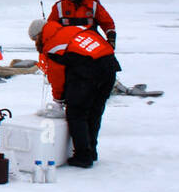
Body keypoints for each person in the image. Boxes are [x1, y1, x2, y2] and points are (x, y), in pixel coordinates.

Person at [30, 17, 121, 168]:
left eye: (34, 39)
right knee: (94, 112)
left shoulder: (52, 45)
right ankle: (91, 151)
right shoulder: (72, 29)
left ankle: (83, 156)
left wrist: (58, 99)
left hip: (89, 71)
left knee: (76, 113)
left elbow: (57, 76)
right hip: (109, 67)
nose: (35, 43)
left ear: (39, 35)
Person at [49, 0, 116, 47]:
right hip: (67, 45)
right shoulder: (60, 6)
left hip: (90, 43)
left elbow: (107, 23)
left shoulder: (93, 6)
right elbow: (50, 26)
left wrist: (111, 38)